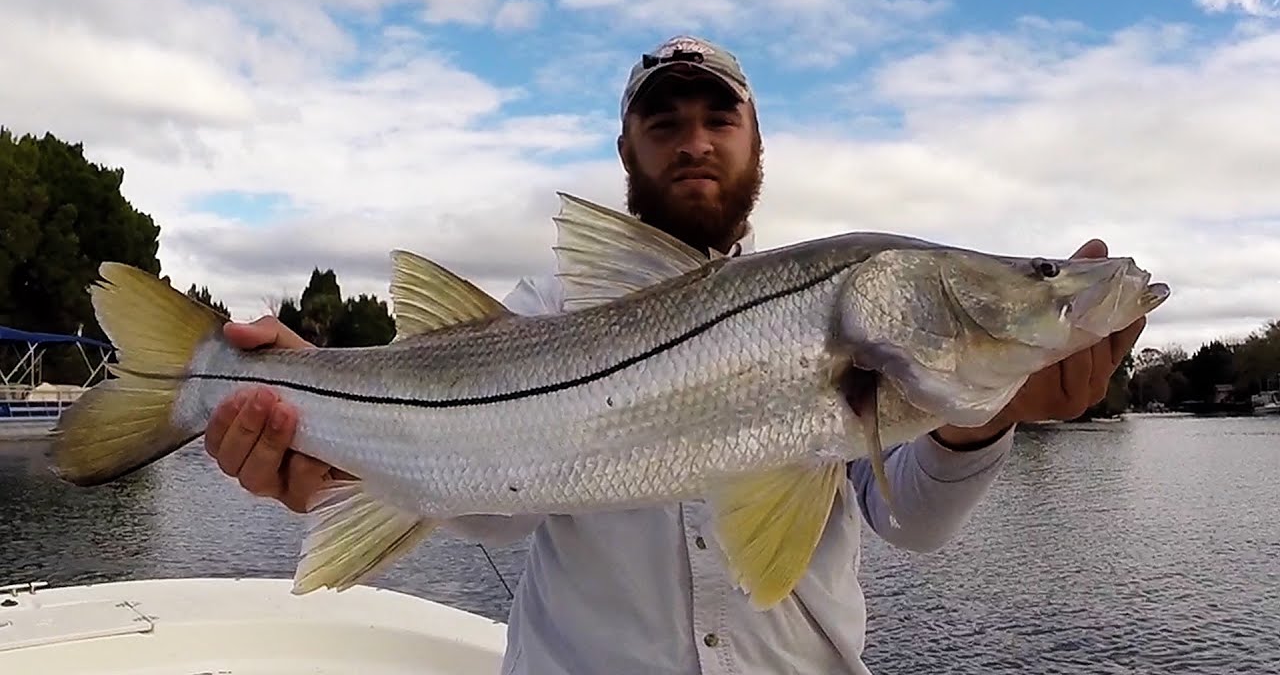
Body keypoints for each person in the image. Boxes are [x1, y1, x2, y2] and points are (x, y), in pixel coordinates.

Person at [203, 35, 1146, 674]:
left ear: (758, 146)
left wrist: (987, 414)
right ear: (626, 149)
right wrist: (327, 439)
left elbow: (913, 525)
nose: (693, 143)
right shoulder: (542, 313)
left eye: (718, 120)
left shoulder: (860, 332)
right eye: (664, 123)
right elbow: (494, 513)